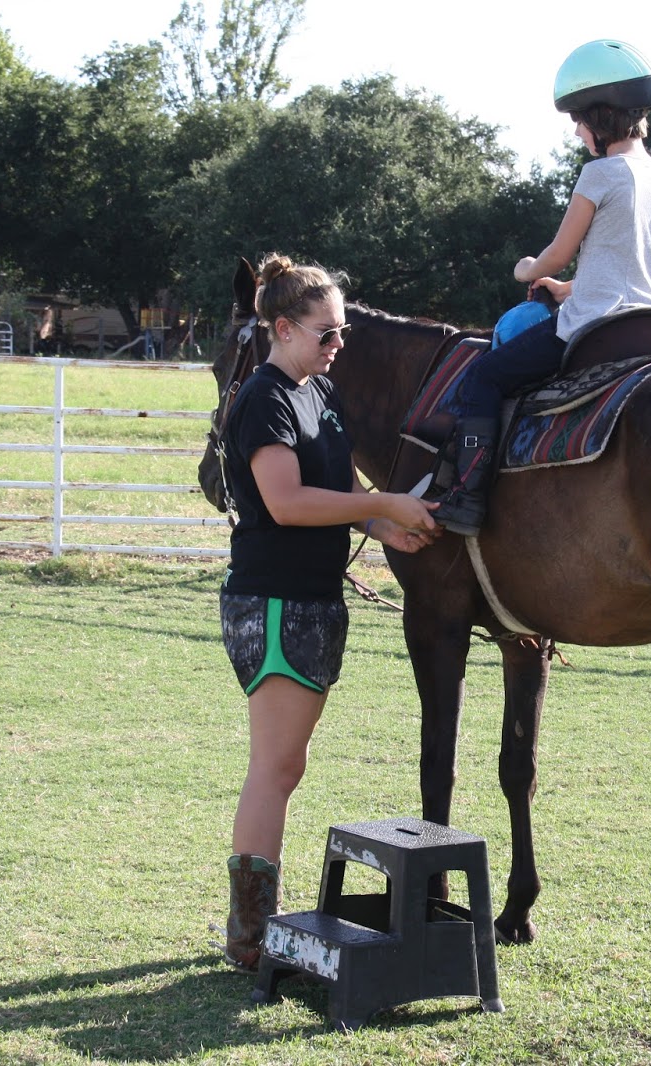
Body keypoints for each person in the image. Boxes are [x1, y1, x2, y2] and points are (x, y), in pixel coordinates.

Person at [218, 253, 440, 970]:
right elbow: (286, 503)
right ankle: (250, 935)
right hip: (275, 603)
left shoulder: (322, 394)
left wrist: (387, 528)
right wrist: (380, 503)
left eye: (341, 332)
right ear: (282, 329)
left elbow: (337, 496)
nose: (338, 345)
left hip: (312, 603)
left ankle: (255, 926)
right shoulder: (266, 399)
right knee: (274, 769)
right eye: (327, 333)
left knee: (286, 765)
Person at [431, 39, 651, 536]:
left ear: (601, 117)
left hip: (597, 326)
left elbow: (556, 253)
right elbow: (626, 261)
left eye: (578, 119)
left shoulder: (599, 174)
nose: (576, 130)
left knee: (484, 378)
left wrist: (528, 270)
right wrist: (567, 287)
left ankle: (467, 496)